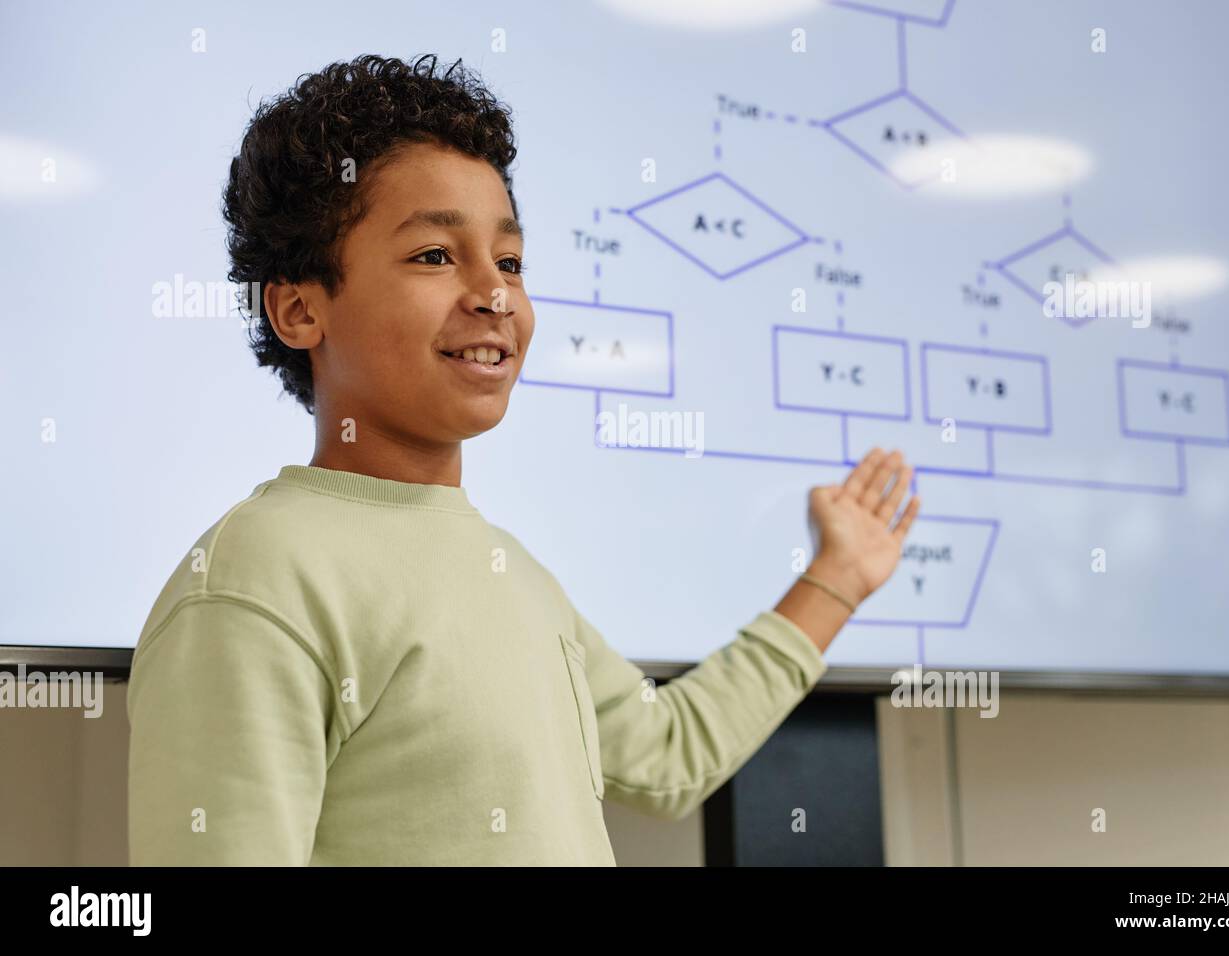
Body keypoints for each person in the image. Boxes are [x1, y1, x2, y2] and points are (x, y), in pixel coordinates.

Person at [127, 53, 921, 865]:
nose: (495, 294)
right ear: (300, 309)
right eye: (435, 255)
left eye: (509, 262)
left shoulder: (517, 575)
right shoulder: (255, 580)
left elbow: (668, 756)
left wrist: (839, 578)